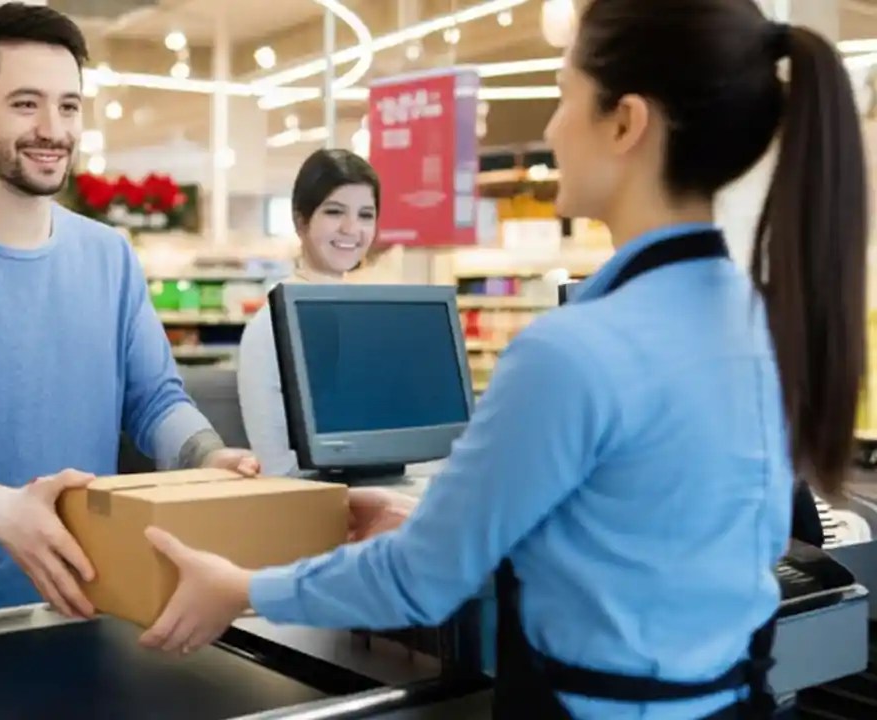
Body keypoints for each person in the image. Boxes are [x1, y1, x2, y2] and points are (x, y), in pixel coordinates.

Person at [136, 1, 868, 718]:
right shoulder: (757, 324)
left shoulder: (573, 351)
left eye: (562, 97)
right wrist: (485, 527)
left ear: (625, 122)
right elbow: (669, 544)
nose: (550, 128)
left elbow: (421, 580)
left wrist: (241, 587)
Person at [0, 3, 259, 624]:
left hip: (90, 601)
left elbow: (154, 400)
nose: (53, 128)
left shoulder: (109, 257)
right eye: (25, 104)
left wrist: (208, 455)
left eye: (68, 105)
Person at [237, 148, 381, 476]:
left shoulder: (370, 319)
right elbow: (277, 465)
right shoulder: (272, 326)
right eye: (334, 212)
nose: (351, 228)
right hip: (314, 507)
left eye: (365, 215)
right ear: (301, 220)